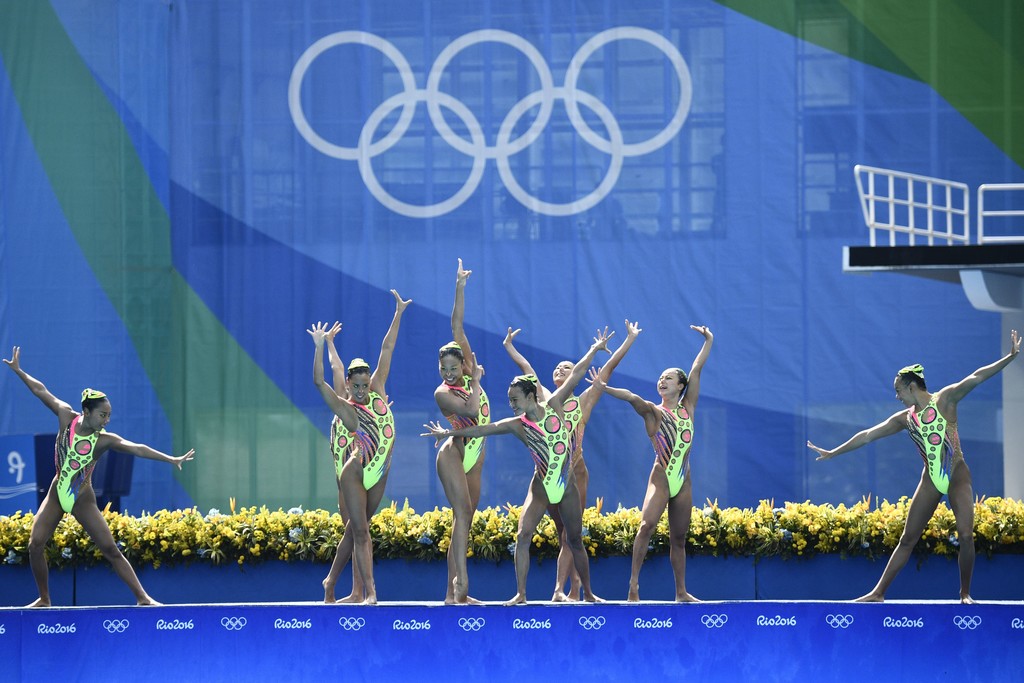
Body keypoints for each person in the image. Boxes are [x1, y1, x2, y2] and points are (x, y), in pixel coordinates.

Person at [807, 329, 1021, 604]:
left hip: (956, 474)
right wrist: (833, 452)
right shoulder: (905, 419)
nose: (896, 397)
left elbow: (977, 377)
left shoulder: (945, 399)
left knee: (966, 536)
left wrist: (1009, 357)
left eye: (898, 390)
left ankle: (965, 593)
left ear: (911, 387)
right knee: (907, 539)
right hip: (931, 480)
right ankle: (878, 593)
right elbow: (868, 435)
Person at [423, 330, 613, 605]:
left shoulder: (554, 405)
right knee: (523, 536)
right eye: (510, 400)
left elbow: (577, 374)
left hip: (567, 485)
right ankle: (521, 594)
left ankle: (590, 594)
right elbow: (482, 429)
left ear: (531, 397)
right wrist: (447, 433)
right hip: (541, 486)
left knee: (574, 540)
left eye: (515, 400)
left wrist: (594, 349)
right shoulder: (517, 424)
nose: (511, 405)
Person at [2, 346, 195, 607]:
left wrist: (170, 459)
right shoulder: (66, 416)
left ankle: (143, 598)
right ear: (86, 411)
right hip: (57, 493)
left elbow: (137, 448)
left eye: (109, 416)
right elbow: (41, 390)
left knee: (110, 549)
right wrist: (19, 371)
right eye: (102, 415)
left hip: (82, 498)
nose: (106, 420)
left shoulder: (104, 440)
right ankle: (45, 599)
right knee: (35, 545)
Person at [503, 320, 641, 600]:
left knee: (571, 535)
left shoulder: (584, 401)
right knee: (560, 531)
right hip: (547, 475)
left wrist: (629, 339)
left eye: (566, 367)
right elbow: (527, 370)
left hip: (575, 473)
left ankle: (564, 589)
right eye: (557, 368)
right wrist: (509, 346)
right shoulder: (542, 398)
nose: (560, 370)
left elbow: (607, 368)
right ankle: (569, 586)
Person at [309, 289, 410, 604]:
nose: (363, 390)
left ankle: (334, 582)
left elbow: (387, 347)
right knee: (360, 531)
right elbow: (324, 379)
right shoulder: (345, 406)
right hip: (351, 468)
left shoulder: (377, 389)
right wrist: (322, 346)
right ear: (349, 386)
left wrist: (398, 313)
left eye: (366, 384)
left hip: (379, 468)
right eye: (357, 386)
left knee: (356, 529)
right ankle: (369, 592)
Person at [602, 324, 713, 602]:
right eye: (660, 378)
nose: (662, 381)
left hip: (683, 481)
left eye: (669, 378)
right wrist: (605, 388)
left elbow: (696, 368)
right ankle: (633, 585)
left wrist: (708, 340)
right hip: (661, 478)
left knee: (679, 539)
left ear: (681, 386)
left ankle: (681, 592)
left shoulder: (688, 407)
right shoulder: (655, 412)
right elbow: (633, 397)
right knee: (645, 527)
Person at [433, 259, 489, 604]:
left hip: (476, 453)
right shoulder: (442, 393)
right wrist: (478, 381)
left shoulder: (467, 370)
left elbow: (457, 325)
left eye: (454, 367)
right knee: (463, 514)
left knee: (463, 522)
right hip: (453, 453)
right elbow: (470, 411)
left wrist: (460, 287)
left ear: (464, 363)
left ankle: (452, 594)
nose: (450, 373)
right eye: (444, 368)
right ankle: (461, 586)